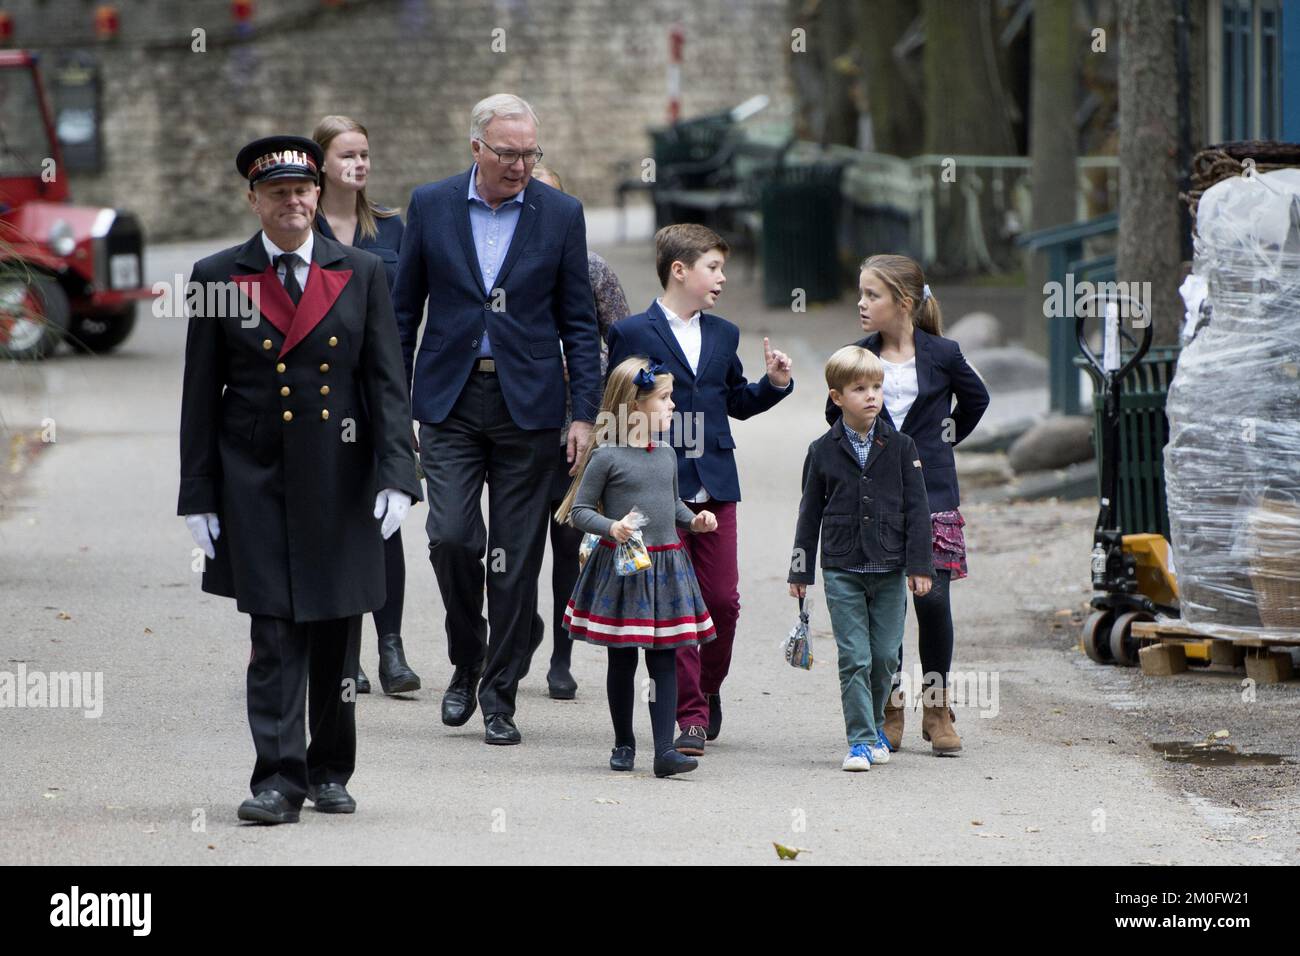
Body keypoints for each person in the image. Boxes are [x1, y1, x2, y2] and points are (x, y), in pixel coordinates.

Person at [178, 135, 421, 824]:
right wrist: (197, 493)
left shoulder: (363, 271)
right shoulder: (219, 276)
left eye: (303, 190)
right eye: (277, 192)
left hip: (342, 480)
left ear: (319, 195)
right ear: (253, 199)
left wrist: (398, 475)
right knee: (273, 635)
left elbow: (386, 384)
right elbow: (201, 393)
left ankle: (330, 769)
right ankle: (277, 781)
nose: (293, 202)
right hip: (255, 482)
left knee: (338, 635)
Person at [392, 94, 602, 746]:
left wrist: (583, 415)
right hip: (450, 403)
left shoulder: (560, 214)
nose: (520, 165)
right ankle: (467, 659)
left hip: (530, 409)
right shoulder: (430, 205)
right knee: (451, 537)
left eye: (530, 153)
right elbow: (403, 314)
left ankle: (499, 693)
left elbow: (578, 321)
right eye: (508, 153)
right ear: (476, 148)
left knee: (514, 562)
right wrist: (394, 404)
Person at [607, 223, 793, 756]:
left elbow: (734, 398)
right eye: (713, 267)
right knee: (674, 607)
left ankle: (708, 690)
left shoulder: (725, 334)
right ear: (680, 270)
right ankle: (686, 715)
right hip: (654, 489)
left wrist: (774, 384)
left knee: (721, 602)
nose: (722, 278)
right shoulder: (631, 332)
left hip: (715, 482)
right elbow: (615, 407)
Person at [824, 255, 989, 754]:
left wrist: (940, 445)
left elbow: (975, 400)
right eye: (860, 293)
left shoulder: (943, 353)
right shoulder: (856, 354)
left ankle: (937, 708)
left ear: (903, 302)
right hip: (874, 497)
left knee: (932, 600)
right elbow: (833, 418)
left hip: (933, 493)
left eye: (871, 295)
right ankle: (890, 705)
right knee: (883, 599)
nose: (861, 302)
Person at [555, 357, 718, 777]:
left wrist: (693, 520)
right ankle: (623, 742)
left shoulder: (665, 453)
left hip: (666, 567)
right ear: (635, 404)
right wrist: (613, 527)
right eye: (664, 398)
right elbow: (581, 512)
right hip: (624, 570)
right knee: (623, 660)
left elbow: (673, 504)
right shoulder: (607, 457)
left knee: (664, 660)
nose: (673, 407)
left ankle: (664, 750)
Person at [312, 114, 419, 697]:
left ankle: (391, 647)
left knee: (387, 515)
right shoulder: (303, 228)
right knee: (334, 519)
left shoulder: (392, 228)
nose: (359, 164)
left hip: (384, 389)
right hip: (322, 392)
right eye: (347, 155)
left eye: (365, 154)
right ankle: (343, 652)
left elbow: (410, 315)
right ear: (322, 162)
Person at [790, 346, 933, 771]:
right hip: (842, 567)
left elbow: (918, 510)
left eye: (876, 387)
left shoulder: (903, 446)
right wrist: (800, 568)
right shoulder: (822, 450)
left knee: (886, 656)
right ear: (837, 397)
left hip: (890, 567)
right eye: (859, 389)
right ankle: (859, 741)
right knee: (855, 656)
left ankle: (872, 730)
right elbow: (808, 511)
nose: (871, 396)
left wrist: (920, 565)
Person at [527, 162, 630, 700]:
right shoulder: (503, 270)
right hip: (519, 421)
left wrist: (579, 358)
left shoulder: (591, 270)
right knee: (514, 543)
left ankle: (561, 655)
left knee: (568, 543)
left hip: (580, 423)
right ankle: (521, 631)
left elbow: (630, 345)